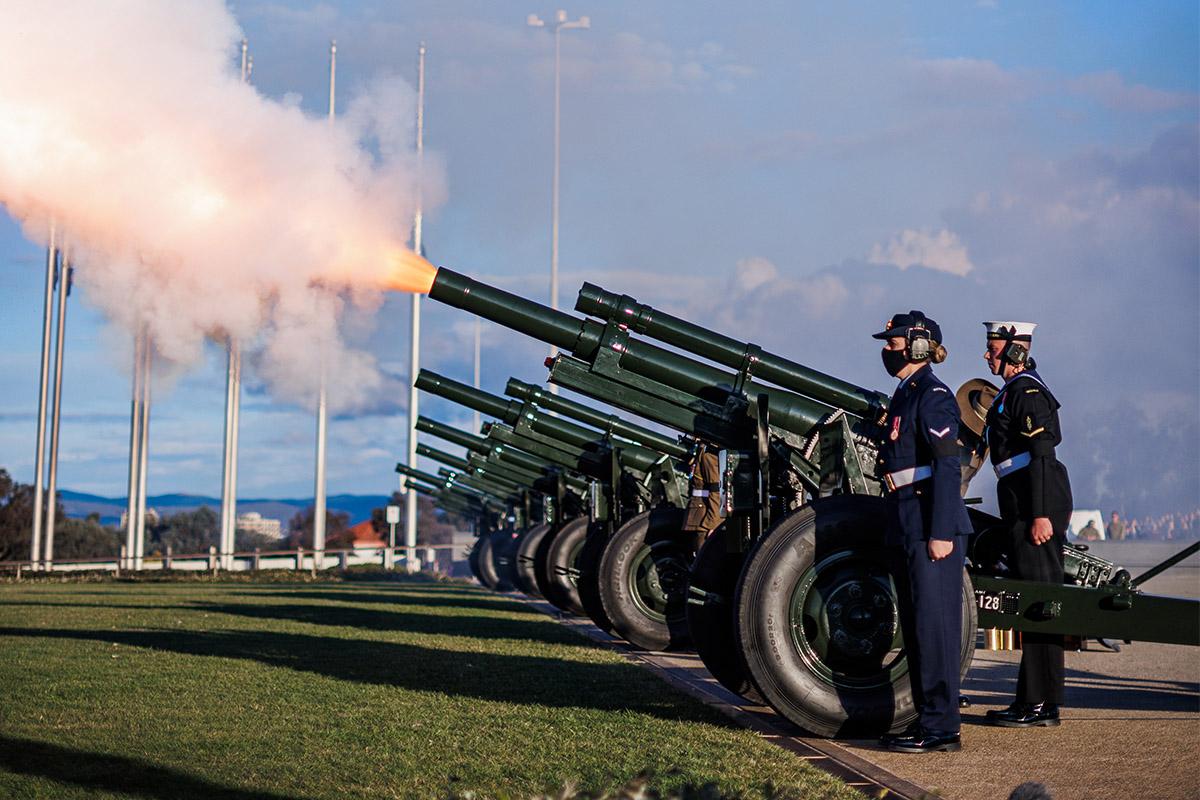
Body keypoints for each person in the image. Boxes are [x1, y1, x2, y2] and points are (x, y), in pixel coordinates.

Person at [872, 311, 973, 753]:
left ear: (916, 345)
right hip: (908, 519)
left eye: (893, 342)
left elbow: (947, 466)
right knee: (917, 628)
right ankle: (927, 719)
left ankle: (942, 728)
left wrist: (942, 531)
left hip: (930, 524)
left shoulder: (932, 395)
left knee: (935, 629)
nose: (886, 349)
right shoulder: (905, 394)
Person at [981, 321, 1073, 728]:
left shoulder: (1028, 391)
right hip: (1020, 496)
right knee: (1035, 600)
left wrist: (1040, 515)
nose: (988, 355)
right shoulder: (1011, 391)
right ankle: (1032, 700)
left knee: (1041, 603)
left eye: (994, 348)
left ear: (1016, 350)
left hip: (1035, 499)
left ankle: (1040, 705)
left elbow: (1042, 454)